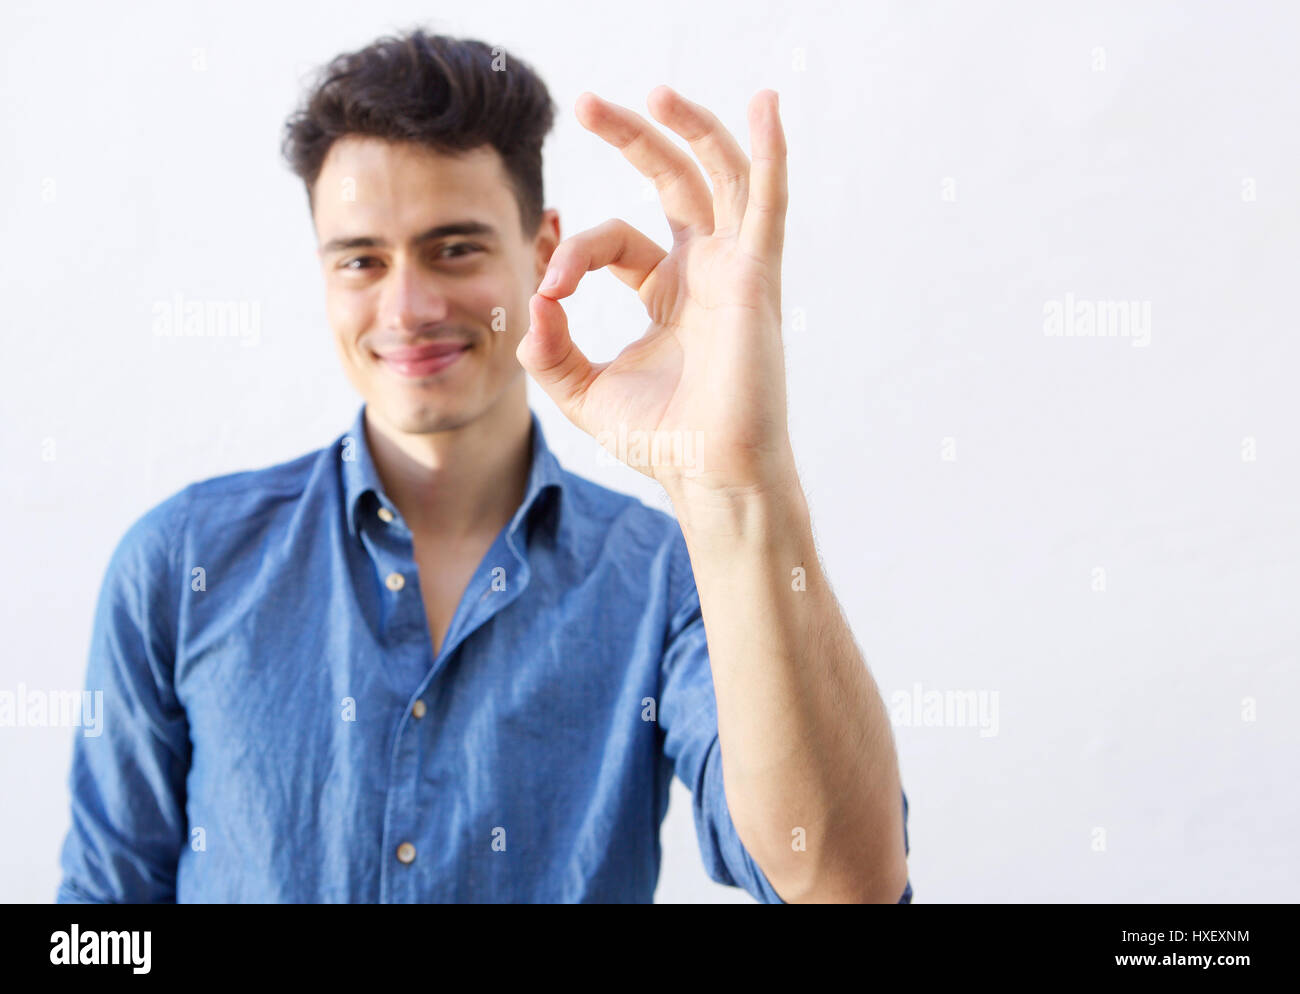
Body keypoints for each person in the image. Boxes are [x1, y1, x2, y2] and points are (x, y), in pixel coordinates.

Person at [55, 28, 912, 903]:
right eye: (361, 260)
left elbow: (841, 883)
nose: (409, 307)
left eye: (453, 248)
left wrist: (742, 484)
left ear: (543, 252)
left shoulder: (665, 583)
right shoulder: (180, 563)